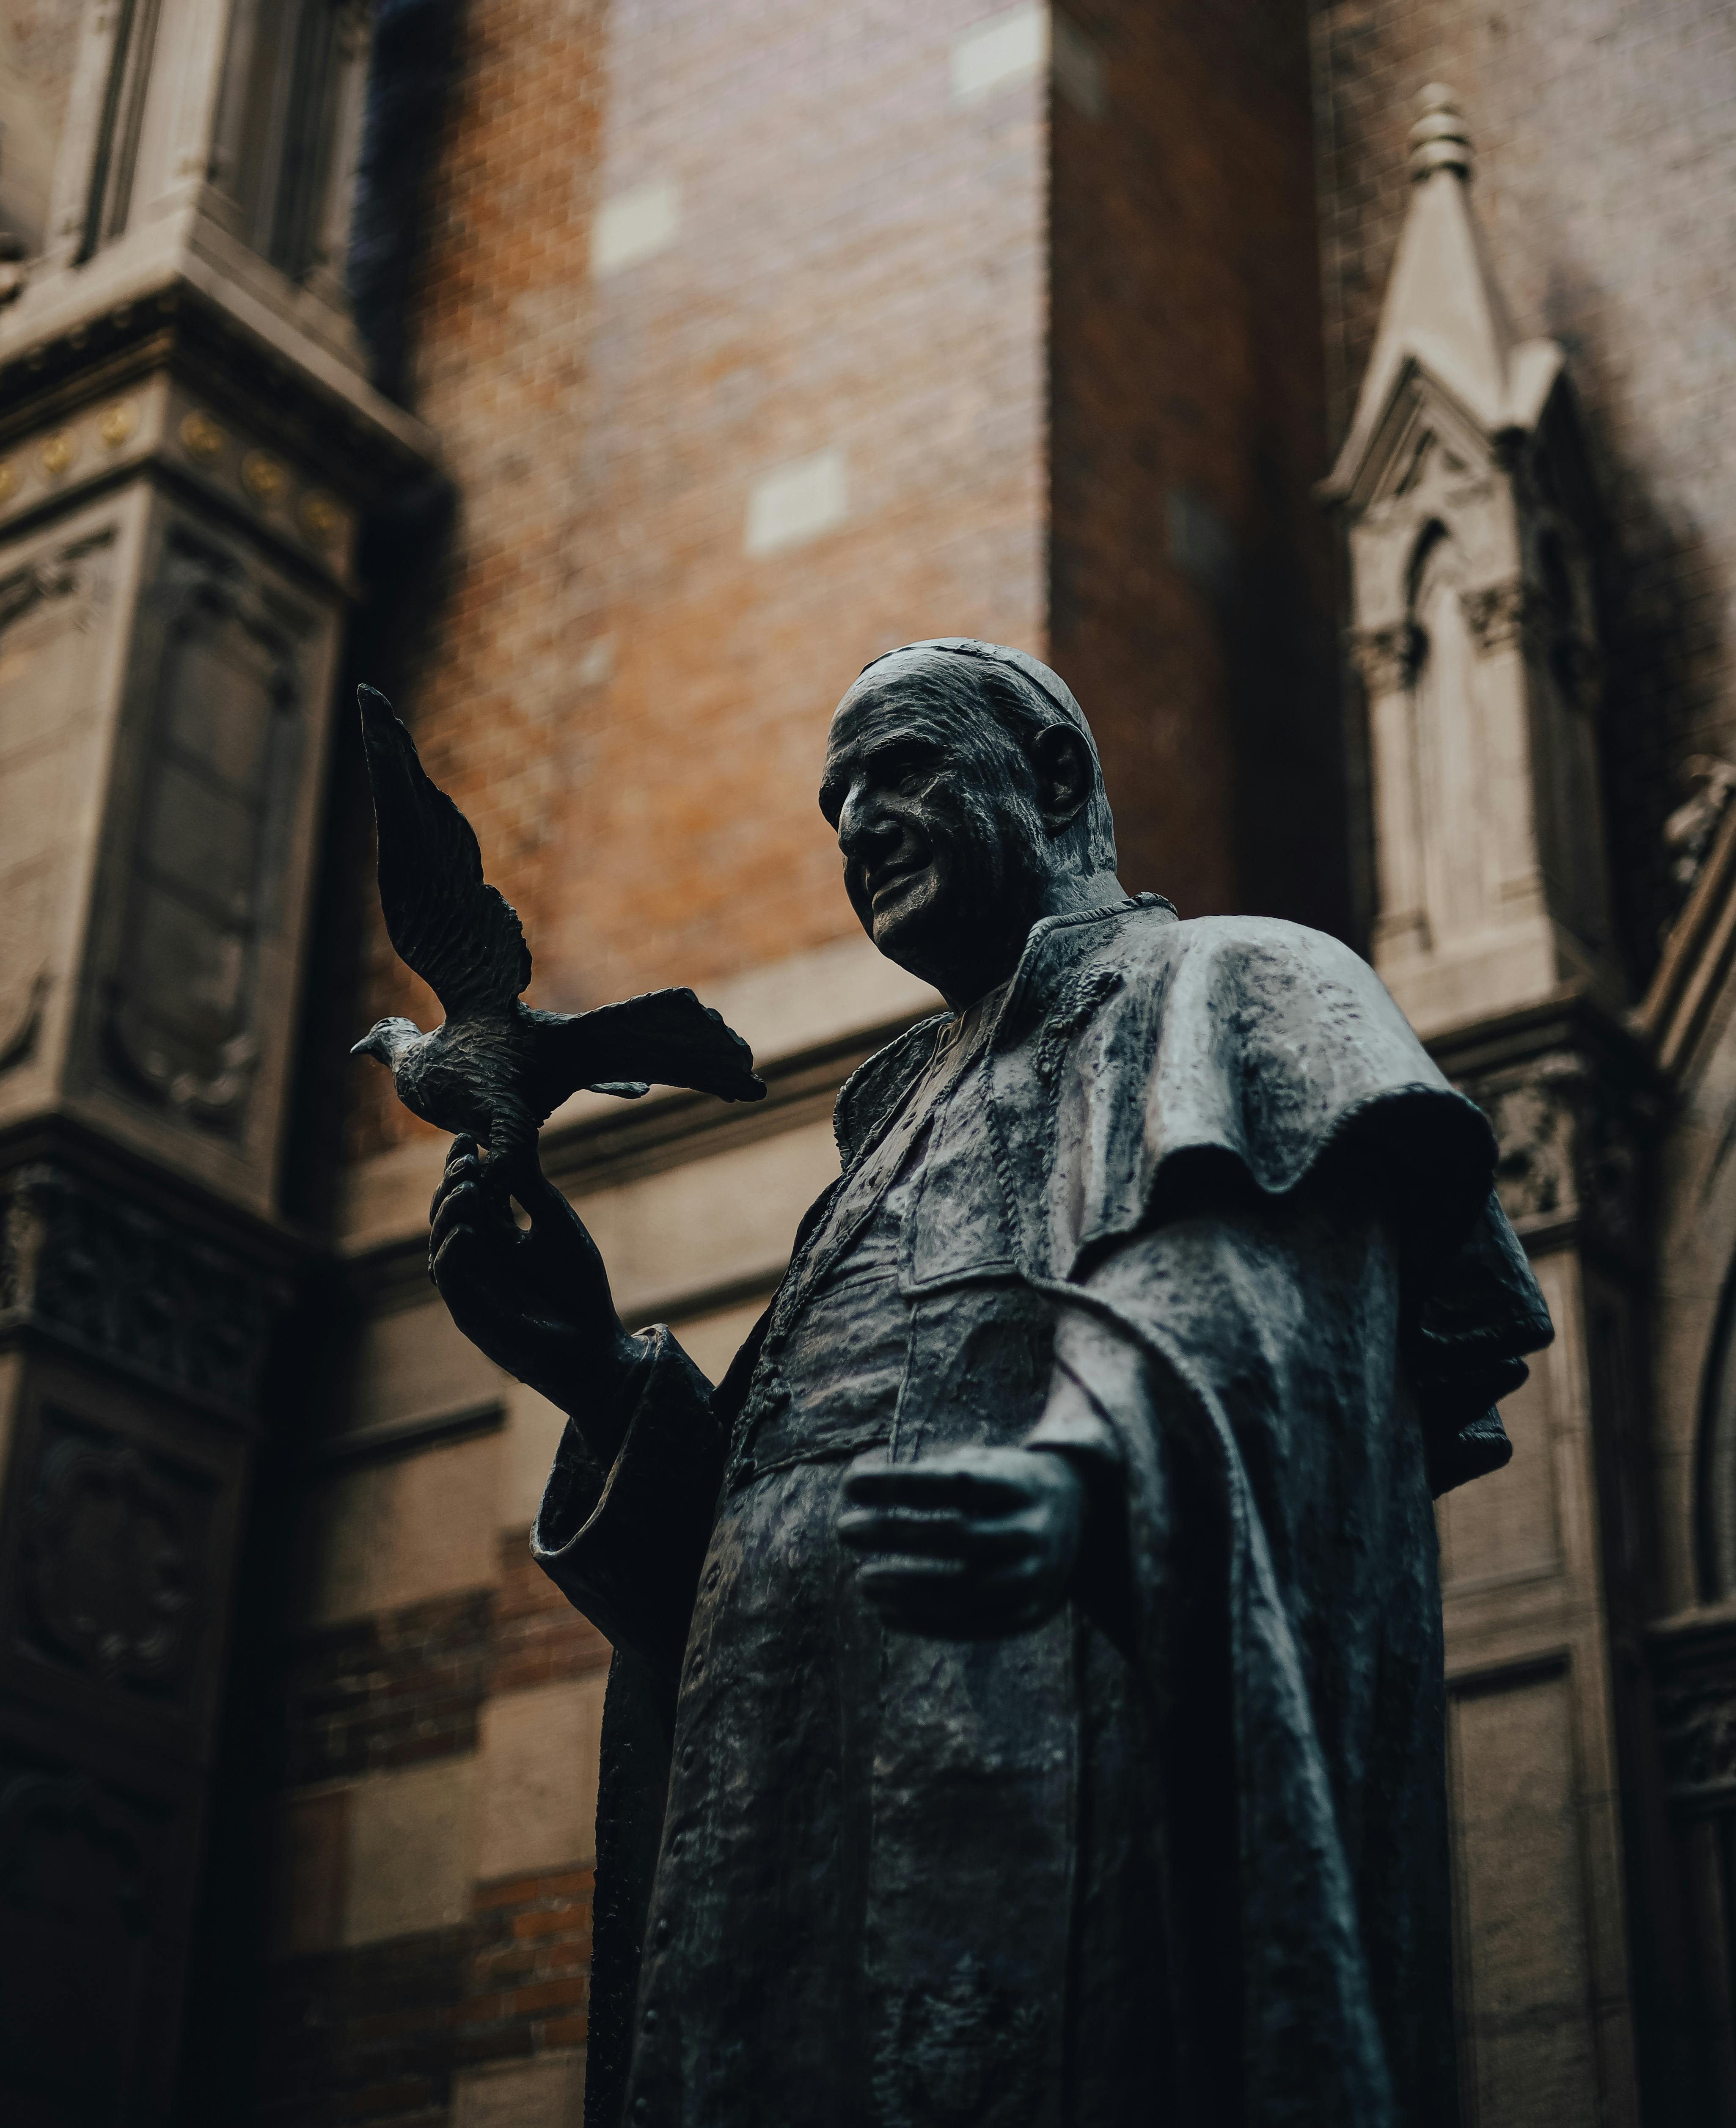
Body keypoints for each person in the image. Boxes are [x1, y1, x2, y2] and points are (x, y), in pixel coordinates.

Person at [426, 640, 1550, 2128]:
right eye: (834, 800)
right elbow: (785, 1488)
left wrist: (1091, 1475)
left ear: (1056, 776)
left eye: (899, 770)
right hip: (776, 1801)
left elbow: (1255, 1314)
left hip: (1032, 1760)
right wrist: (598, 1374)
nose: (854, 825)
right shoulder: (888, 1115)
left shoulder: (1235, 981)